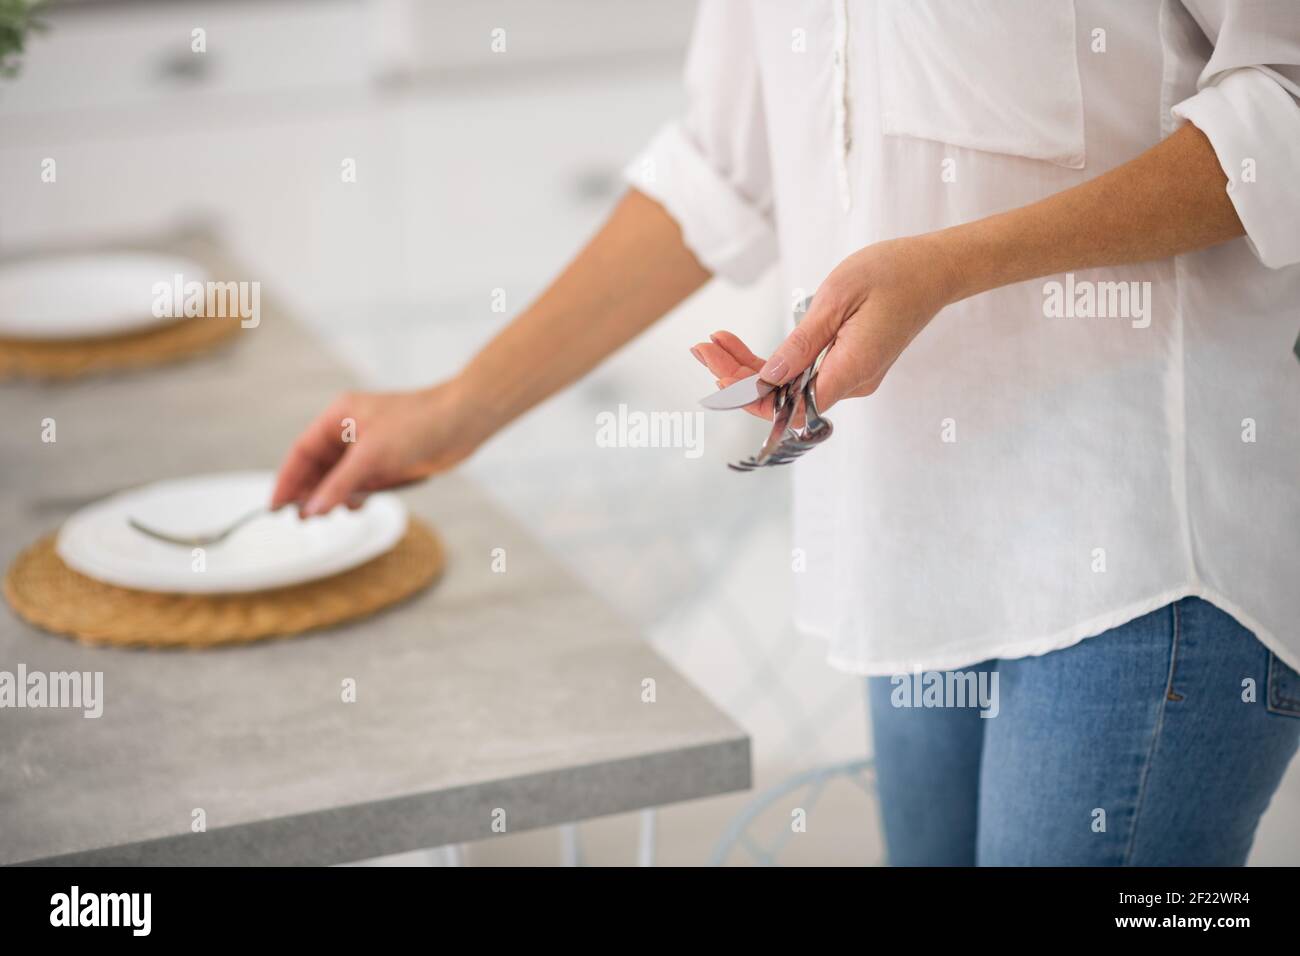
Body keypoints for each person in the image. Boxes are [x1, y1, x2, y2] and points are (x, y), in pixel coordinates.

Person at [272, 1, 1300, 865]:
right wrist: (453, 410)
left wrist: (951, 265)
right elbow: (720, 169)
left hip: (1147, 544)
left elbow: (1283, 97)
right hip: (916, 543)